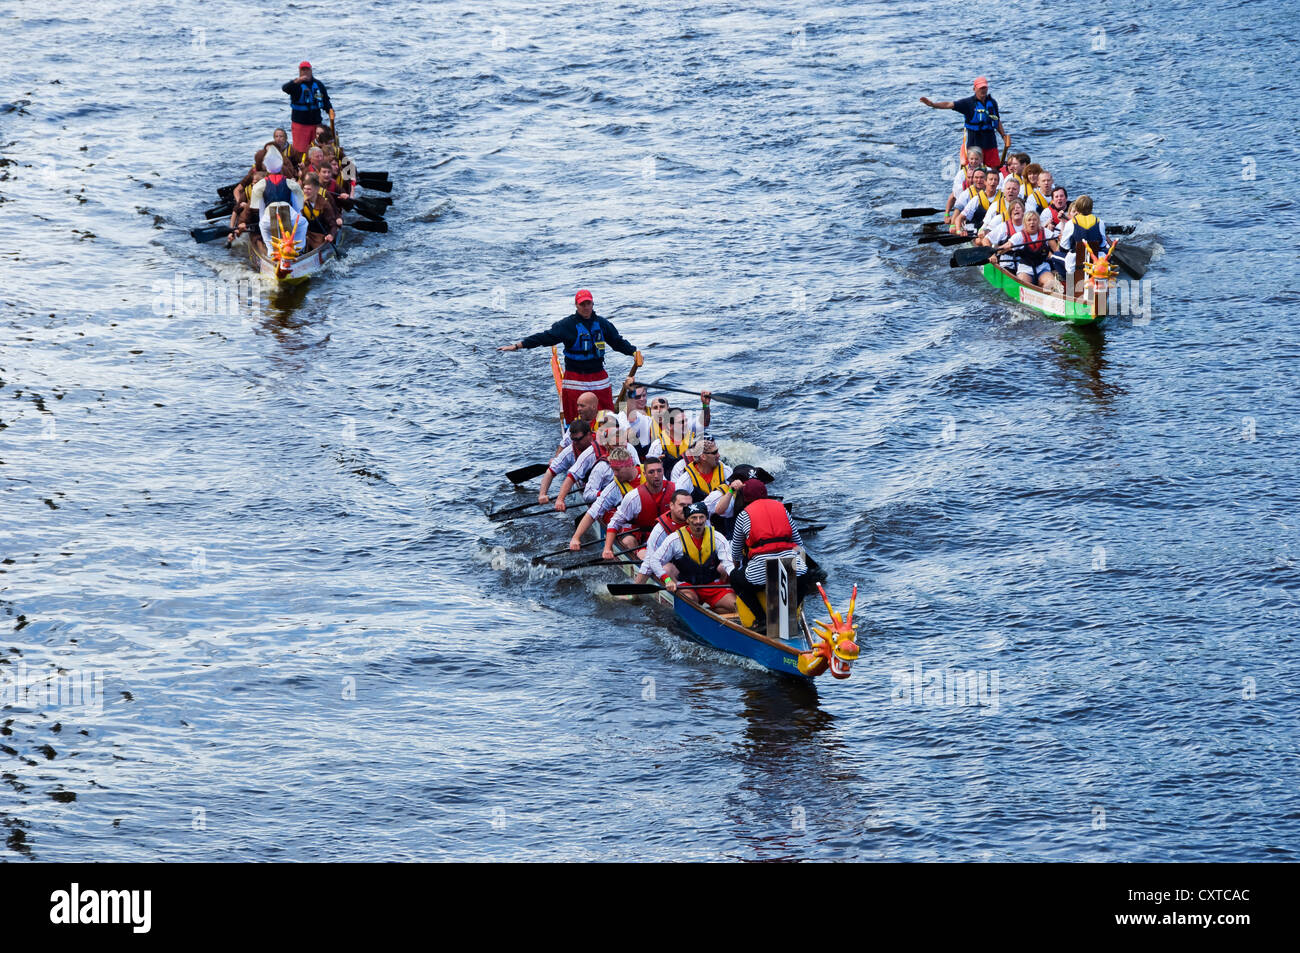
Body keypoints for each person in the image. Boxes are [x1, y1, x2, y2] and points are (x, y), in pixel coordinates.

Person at [499, 290, 641, 422]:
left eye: (588, 303)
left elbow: (617, 342)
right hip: (575, 378)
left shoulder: (603, 324)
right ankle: (575, 435)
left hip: (598, 377)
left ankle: (608, 434)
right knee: (576, 416)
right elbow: (545, 337)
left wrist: (634, 352)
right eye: (582, 304)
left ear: (592, 304)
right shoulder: (567, 325)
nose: (586, 307)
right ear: (576, 305)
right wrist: (518, 345)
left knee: (606, 413)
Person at [728, 479, 810, 630]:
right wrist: (800, 563)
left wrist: (738, 567)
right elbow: (799, 543)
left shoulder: (743, 515)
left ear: (745, 497)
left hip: (760, 571)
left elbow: (736, 550)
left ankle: (761, 619)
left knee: (734, 578)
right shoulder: (782, 508)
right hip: (790, 568)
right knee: (805, 576)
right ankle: (787, 616)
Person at [648, 503, 737, 611]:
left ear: (706, 518)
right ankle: (705, 612)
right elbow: (654, 561)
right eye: (694, 517)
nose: (698, 521)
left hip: (713, 587)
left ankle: (716, 611)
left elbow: (728, 563)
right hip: (687, 587)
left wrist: (736, 578)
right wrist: (667, 580)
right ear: (687, 520)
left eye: (701, 517)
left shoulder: (717, 537)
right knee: (689, 602)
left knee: (736, 606)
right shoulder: (674, 539)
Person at [920, 76, 1009, 170]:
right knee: (974, 169)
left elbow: (997, 120)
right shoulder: (967, 103)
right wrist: (933, 105)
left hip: (990, 141)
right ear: (974, 89)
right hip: (974, 141)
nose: (983, 90)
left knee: (994, 168)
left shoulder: (992, 102)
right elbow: (949, 105)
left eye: (985, 88)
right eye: (980, 88)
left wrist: (1003, 135)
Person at [568, 449, 643, 551]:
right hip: (631, 525)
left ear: (630, 464)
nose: (614, 474)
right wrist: (575, 538)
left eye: (617, 470)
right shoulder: (614, 487)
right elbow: (593, 512)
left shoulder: (650, 474)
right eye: (613, 469)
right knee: (628, 542)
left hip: (651, 522)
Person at [604, 456, 677, 557]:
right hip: (641, 535)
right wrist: (607, 548)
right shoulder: (634, 497)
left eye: (659, 471)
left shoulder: (676, 490)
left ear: (663, 471)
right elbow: (614, 523)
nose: (656, 475)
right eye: (651, 472)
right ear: (644, 474)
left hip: (667, 535)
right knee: (629, 542)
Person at [249, 147, 306, 253]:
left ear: (267, 169)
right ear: (280, 169)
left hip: (269, 216)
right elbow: (298, 206)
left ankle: (271, 251)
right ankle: (298, 250)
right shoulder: (290, 183)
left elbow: (259, 208)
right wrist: (298, 217)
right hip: (288, 212)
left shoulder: (260, 185)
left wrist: (262, 222)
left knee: (263, 225)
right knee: (303, 223)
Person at [633, 490, 692, 584]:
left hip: (694, 564)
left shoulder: (698, 520)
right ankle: (678, 589)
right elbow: (650, 562)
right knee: (665, 568)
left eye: (689, 506)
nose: (686, 509)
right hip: (674, 566)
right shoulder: (660, 530)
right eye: (682, 505)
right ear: (671, 505)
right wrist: (634, 591)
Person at [282, 61, 333, 163]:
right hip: (300, 125)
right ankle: (301, 168)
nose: (305, 72)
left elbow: (325, 100)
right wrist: (297, 81)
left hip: (316, 124)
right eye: (302, 70)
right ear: (299, 71)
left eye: (307, 69)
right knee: (301, 150)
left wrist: (330, 110)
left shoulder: (318, 85)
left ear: (311, 71)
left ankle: (319, 166)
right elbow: (285, 88)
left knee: (318, 148)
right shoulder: (295, 86)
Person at [538, 418, 593, 505]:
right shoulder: (569, 451)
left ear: (589, 435)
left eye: (578, 439)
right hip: (587, 488)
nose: (575, 443)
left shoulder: (601, 445)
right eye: (573, 439)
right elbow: (550, 471)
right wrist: (542, 494)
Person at [1004, 210, 1059, 290]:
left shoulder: (1046, 233)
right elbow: (1004, 248)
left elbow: (1056, 251)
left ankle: (1046, 296)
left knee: (1051, 283)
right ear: (1025, 223)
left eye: (1034, 220)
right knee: (1023, 283)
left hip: (1042, 268)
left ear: (1038, 222)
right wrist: (993, 254)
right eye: (1029, 220)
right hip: (1025, 269)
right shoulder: (1019, 236)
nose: (1032, 222)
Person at [672, 436, 732, 502]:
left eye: (717, 451)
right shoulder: (684, 481)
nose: (719, 455)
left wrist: (731, 490)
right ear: (703, 456)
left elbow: (732, 493)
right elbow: (679, 505)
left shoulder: (727, 471)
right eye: (714, 453)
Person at [951, 168, 1001, 236]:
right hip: (978, 232)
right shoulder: (976, 199)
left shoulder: (1003, 198)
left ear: (998, 182)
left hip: (997, 232)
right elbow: (959, 218)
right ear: (985, 182)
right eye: (990, 179)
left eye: (995, 180)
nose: (993, 182)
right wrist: (960, 231)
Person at [300, 173, 341, 249]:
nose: (306, 191)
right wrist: (300, 205)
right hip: (306, 234)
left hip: (320, 235)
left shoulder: (325, 204)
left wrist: (331, 235)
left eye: (309, 189)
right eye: (304, 189)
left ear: (316, 190)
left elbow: (333, 224)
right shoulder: (300, 201)